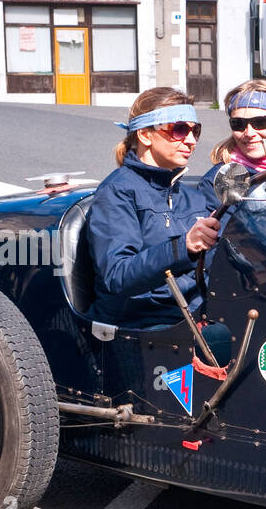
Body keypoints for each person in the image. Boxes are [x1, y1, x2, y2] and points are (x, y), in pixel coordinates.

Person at [87, 87, 220, 329]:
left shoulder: (191, 196)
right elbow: (117, 275)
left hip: (194, 315)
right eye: (180, 129)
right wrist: (184, 246)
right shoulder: (117, 192)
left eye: (195, 131)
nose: (190, 140)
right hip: (143, 323)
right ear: (146, 135)